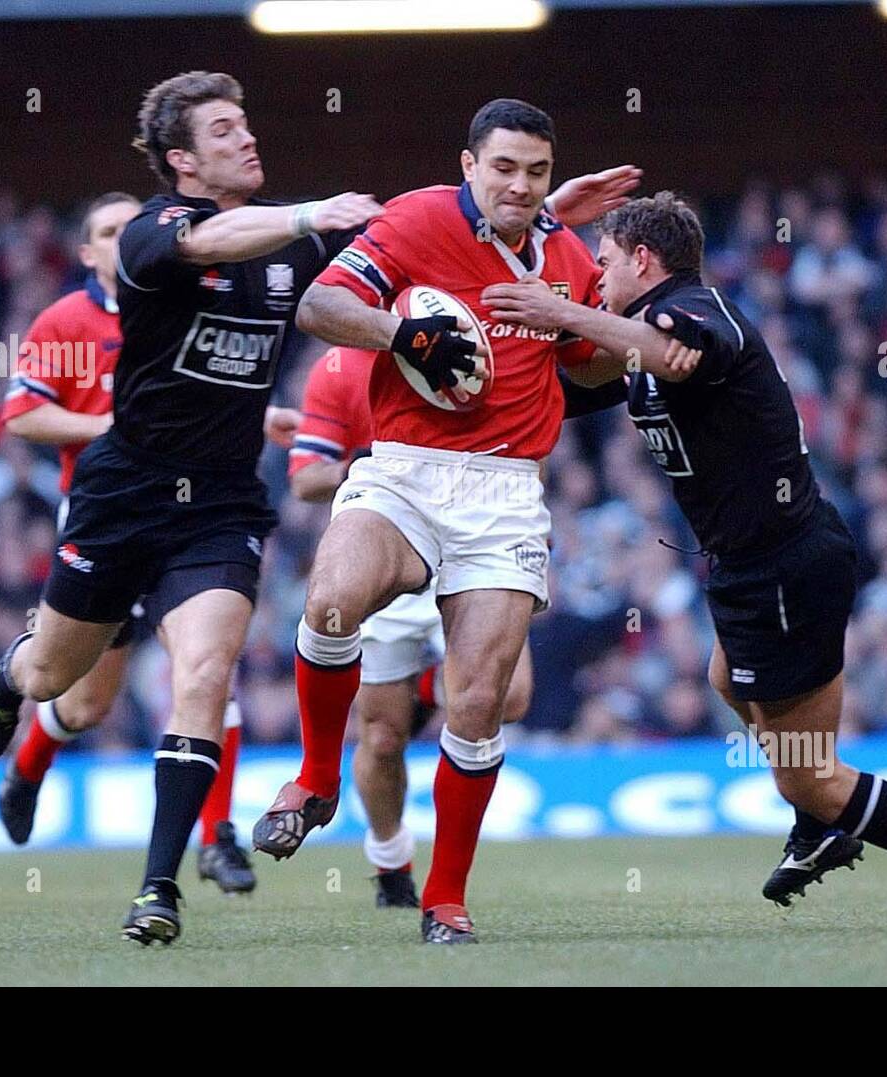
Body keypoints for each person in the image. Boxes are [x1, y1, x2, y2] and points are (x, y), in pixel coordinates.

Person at [482, 191, 887, 926]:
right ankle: (820, 821)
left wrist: (561, 312)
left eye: (608, 260)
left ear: (643, 260)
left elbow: (680, 345)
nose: (598, 273)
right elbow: (589, 378)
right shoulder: (649, 336)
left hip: (782, 567)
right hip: (759, 565)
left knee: (812, 775)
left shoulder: (694, 311)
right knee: (728, 678)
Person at [0, 71, 386, 945]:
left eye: (246, 122)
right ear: (182, 161)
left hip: (221, 504)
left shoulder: (285, 242)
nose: (247, 138)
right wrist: (313, 213)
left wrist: (502, 215)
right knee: (59, 684)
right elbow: (218, 240)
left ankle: (158, 888)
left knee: (203, 676)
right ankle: (12, 682)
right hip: (123, 494)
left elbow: (388, 245)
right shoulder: (154, 233)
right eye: (225, 130)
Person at [258, 98, 683, 944]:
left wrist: (624, 324)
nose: (520, 186)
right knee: (331, 601)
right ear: (468, 165)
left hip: (505, 489)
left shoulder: (564, 255)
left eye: (536, 172)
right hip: (406, 472)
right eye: (504, 167)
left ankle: (443, 899)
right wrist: (406, 337)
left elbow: (592, 364)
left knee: (482, 698)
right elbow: (318, 306)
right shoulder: (415, 220)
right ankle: (313, 777)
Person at [0, 190, 277, 895]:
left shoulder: (193, 295)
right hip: (108, 513)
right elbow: (23, 414)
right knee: (85, 700)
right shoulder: (66, 319)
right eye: (107, 231)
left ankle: (213, 838)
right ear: (89, 252)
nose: (126, 238)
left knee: (209, 668)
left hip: (199, 512)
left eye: (133, 226)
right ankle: (28, 759)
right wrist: (117, 431)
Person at [289, 345, 533, 907]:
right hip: (391, 542)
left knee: (509, 698)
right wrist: (367, 465)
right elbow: (304, 478)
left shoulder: (477, 340)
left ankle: (426, 692)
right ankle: (390, 858)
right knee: (381, 735)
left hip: (475, 539)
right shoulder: (338, 365)